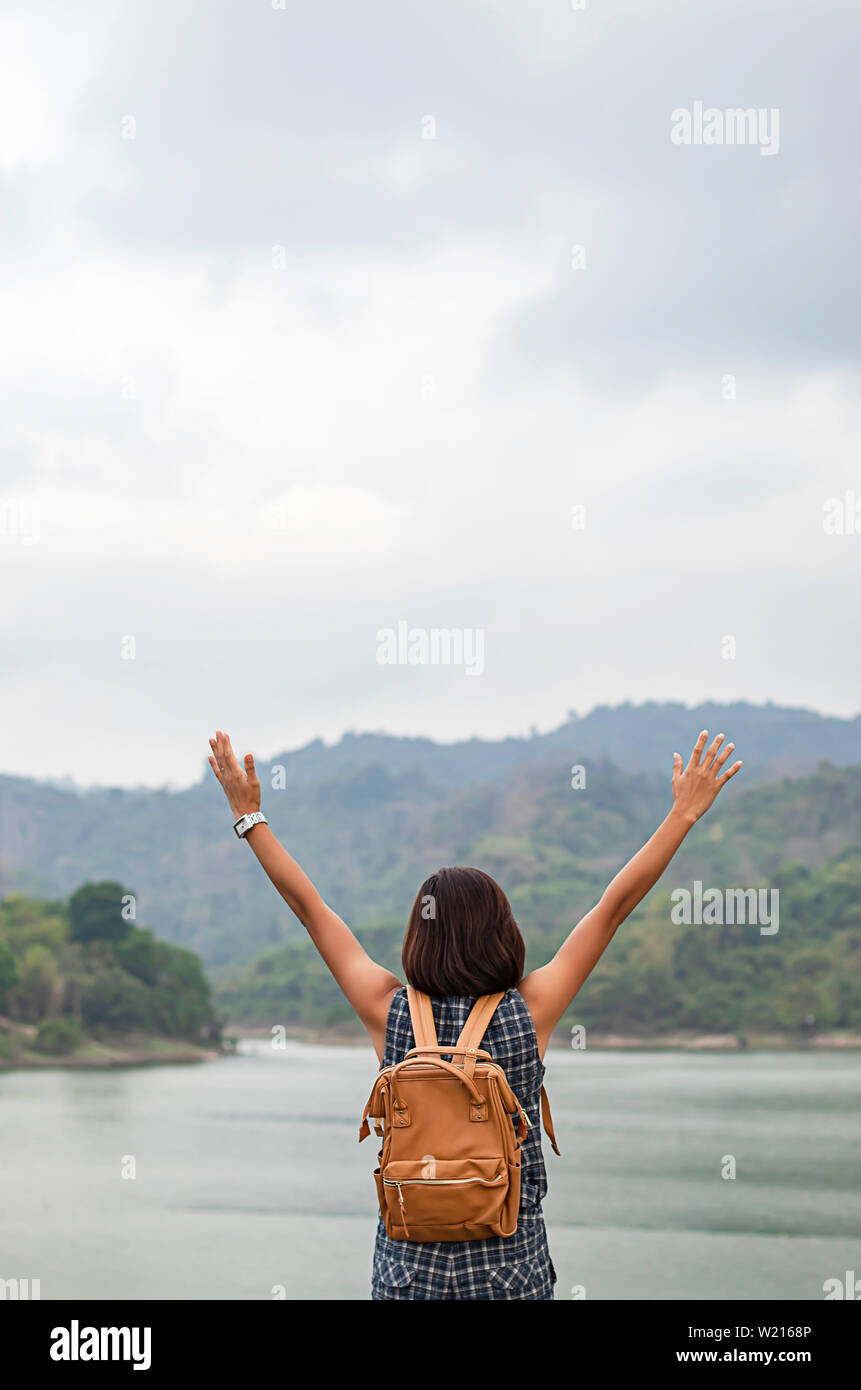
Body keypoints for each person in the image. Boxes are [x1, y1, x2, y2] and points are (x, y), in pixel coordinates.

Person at [207, 727, 742, 1300]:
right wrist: (683, 814)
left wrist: (250, 818)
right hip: (509, 1272)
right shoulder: (531, 1011)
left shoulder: (386, 1011)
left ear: (418, 935)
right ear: (502, 932)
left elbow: (310, 910)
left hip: (407, 1274)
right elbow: (613, 909)